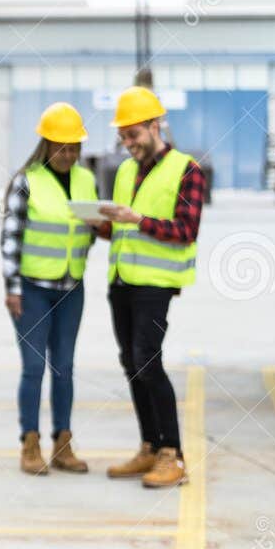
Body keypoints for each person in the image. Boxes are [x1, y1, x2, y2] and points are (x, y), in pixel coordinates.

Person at [87, 85, 203, 489]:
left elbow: (186, 230)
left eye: (133, 134)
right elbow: (122, 230)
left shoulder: (187, 169)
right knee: (131, 363)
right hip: (122, 280)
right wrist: (99, 225)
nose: (128, 143)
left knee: (147, 362)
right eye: (123, 136)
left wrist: (136, 219)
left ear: (156, 126)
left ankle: (174, 455)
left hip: (156, 284)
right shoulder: (124, 171)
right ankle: (150, 447)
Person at [1, 102, 96, 475]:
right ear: (47, 145)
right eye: (61, 147)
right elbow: (11, 239)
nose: (68, 154)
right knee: (33, 368)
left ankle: (63, 444)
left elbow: (89, 229)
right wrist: (12, 289)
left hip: (72, 288)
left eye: (74, 148)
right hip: (32, 290)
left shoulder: (87, 180)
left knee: (65, 367)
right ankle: (30, 443)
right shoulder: (26, 181)